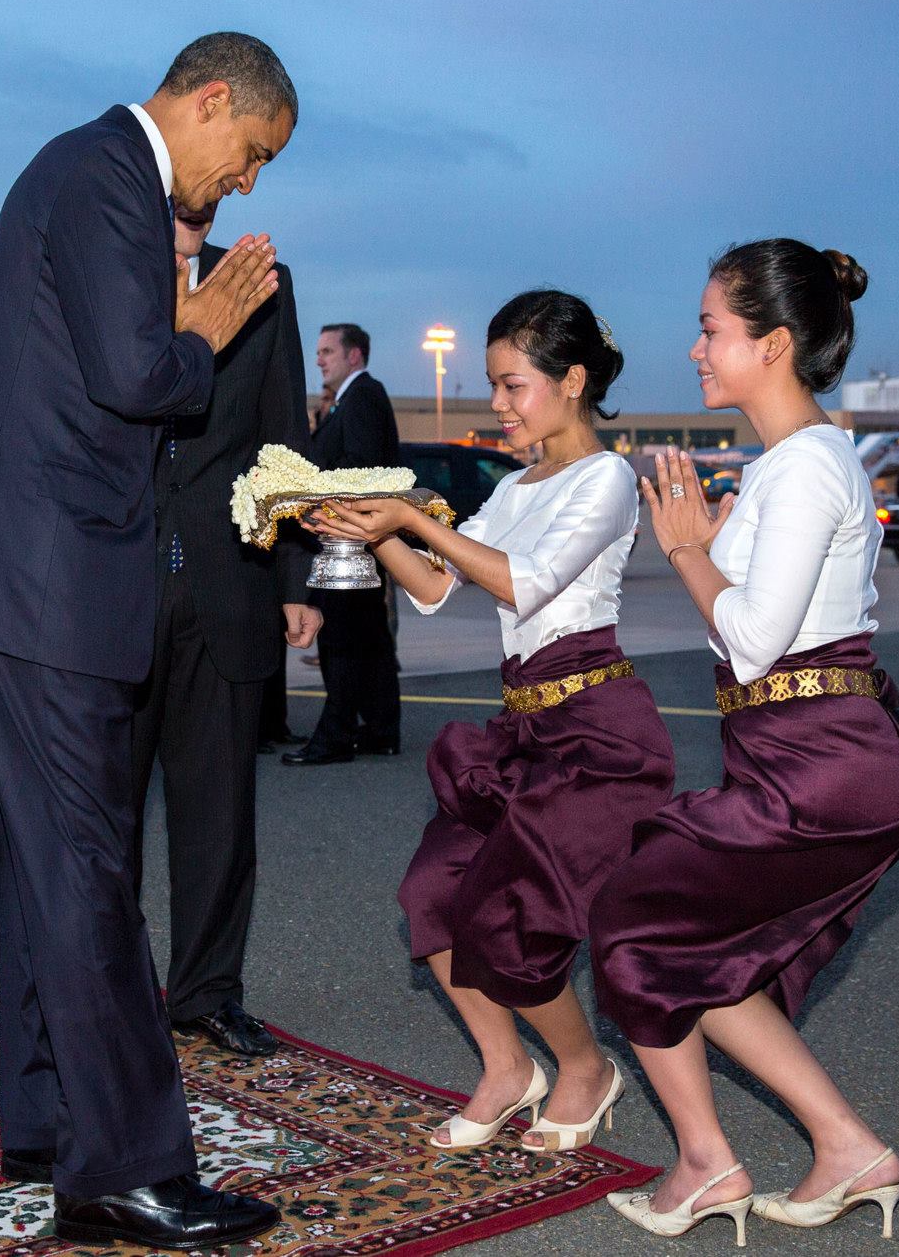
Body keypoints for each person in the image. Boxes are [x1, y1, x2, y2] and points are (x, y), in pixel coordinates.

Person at [0, 32, 292, 1251]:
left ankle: (48, 1121)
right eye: (251, 153)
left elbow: (93, 372)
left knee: (39, 863)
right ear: (211, 100)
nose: (246, 183)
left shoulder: (84, 167)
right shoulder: (110, 170)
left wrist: (174, 327)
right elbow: (134, 373)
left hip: (20, 573)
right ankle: (125, 1168)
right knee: (87, 872)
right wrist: (203, 326)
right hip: (44, 574)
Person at [591, 240, 899, 1244]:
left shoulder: (807, 468)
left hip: (819, 763)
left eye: (710, 328)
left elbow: (747, 637)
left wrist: (691, 549)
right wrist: (714, 546)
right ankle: (844, 1148)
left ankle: (703, 1163)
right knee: (699, 953)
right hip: (800, 751)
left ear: (771, 343)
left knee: (629, 921)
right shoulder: (792, 464)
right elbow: (753, 627)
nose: (694, 347)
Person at [309, 290, 675, 1156]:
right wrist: (370, 533)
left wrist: (406, 514)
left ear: (573, 379)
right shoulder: (516, 484)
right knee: (431, 897)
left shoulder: (607, 478)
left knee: (512, 923)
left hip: (595, 731)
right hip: (522, 725)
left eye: (514, 386)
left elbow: (528, 582)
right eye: (494, 387)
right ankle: (509, 1068)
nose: (500, 406)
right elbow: (438, 590)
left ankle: (586, 1068)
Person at [133, 199, 320, 1060]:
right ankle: (114, 995)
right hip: (111, 591)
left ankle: (207, 993)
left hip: (228, 586)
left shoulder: (263, 291)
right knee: (101, 821)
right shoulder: (108, 279)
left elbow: (283, 438)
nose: (197, 213)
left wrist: (295, 576)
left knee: (219, 816)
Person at [283, 323, 402, 766]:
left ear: (354, 355)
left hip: (348, 547)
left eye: (327, 351)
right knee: (369, 641)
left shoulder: (363, 396)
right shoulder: (348, 402)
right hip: (356, 544)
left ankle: (335, 736)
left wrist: (312, 492)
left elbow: (360, 466)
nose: (319, 359)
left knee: (342, 643)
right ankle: (379, 728)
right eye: (318, 352)